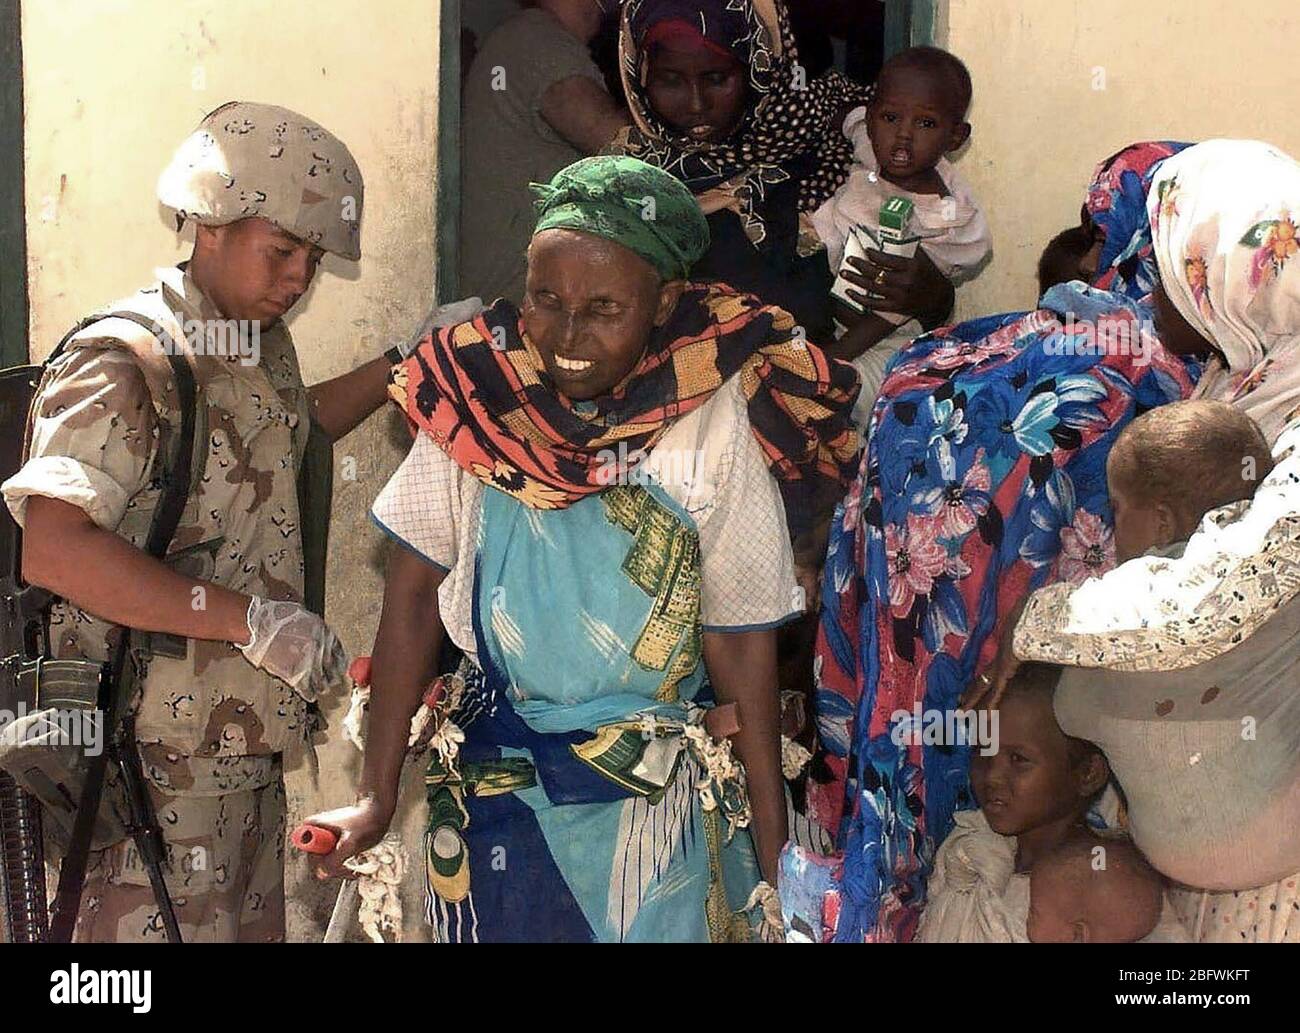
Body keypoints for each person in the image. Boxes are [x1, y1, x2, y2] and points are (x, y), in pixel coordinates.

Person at [303, 155, 861, 943]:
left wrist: (774, 850)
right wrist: (376, 793)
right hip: (495, 791)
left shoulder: (707, 415)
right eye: (546, 299)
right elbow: (409, 602)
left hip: (657, 808)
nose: (568, 334)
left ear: (664, 303)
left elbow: (742, 639)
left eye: (604, 307)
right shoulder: (476, 398)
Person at [1, 101, 404, 942]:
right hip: (142, 764)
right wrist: (247, 621)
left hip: (240, 753)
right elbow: (55, 546)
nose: (297, 279)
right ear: (211, 220)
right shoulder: (127, 357)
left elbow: (290, 436)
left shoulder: (255, 344)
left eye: (314, 259)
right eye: (282, 251)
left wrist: (401, 369)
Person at [788, 141, 1199, 944]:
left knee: (920, 848)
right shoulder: (1164, 382)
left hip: (897, 666)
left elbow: (854, 544)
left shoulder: (950, 350)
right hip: (1038, 702)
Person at [974, 140, 1300, 942]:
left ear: (1225, 280)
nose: (1148, 301)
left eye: (1167, 277)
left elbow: (1214, 597)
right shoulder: (1246, 383)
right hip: (1220, 840)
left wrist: (1039, 621)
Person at [614, 0, 953, 349]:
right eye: (670, 81)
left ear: (757, 66)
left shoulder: (843, 145)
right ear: (639, 76)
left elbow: (923, 298)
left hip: (842, 385)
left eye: (717, 79)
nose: (697, 103)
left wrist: (934, 296)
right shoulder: (626, 188)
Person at [916, 662, 1178, 943]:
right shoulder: (970, 844)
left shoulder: (1107, 889)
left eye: (1018, 759)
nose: (991, 775)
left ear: (1088, 774)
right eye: (983, 751)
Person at [809, 45, 991, 420]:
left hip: (882, 341)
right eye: (891, 118)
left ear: (955, 137)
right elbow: (857, 123)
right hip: (826, 299)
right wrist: (840, 115)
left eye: (926, 124)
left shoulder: (938, 217)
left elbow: (891, 312)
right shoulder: (874, 153)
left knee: (847, 398)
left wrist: (830, 360)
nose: (903, 136)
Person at [460, 0, 630, 304]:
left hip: (514, 307)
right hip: (514, 312)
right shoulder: (536, 40)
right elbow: (628, 151)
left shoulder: (527, 38)